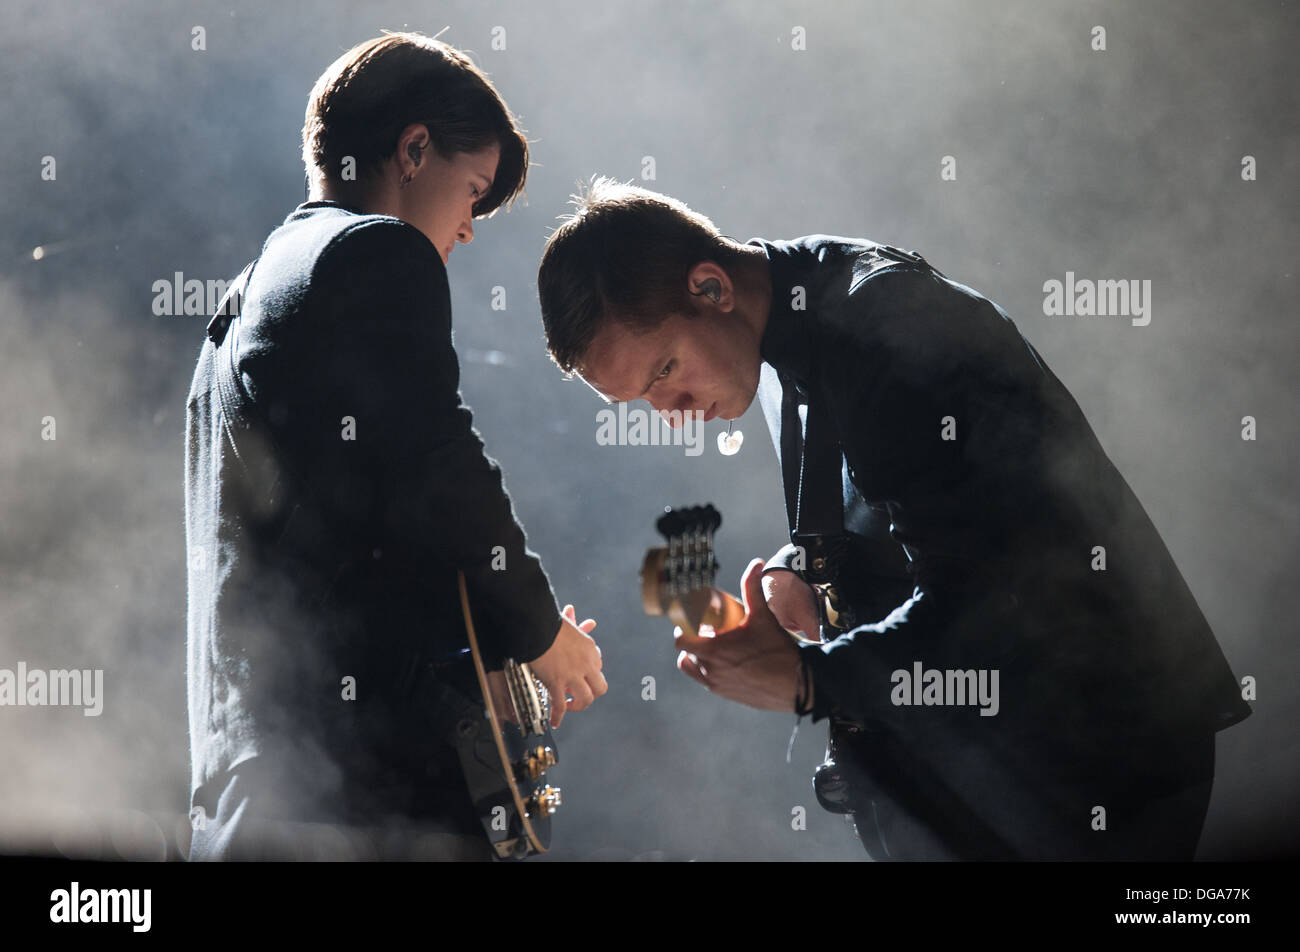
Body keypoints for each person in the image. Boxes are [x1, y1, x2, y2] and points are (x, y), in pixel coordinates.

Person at [536, 177, 1251, 860]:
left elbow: (991, 598)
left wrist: (810, 682)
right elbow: (907, 506)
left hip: (1086, 757)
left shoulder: (881, 323)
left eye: (663, 371)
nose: (670, 412)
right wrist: (806, 575)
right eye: (643, 401)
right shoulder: (784, 322)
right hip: (986, 767)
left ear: (711, 288)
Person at [184, 32, 606, 861]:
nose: (468, 230)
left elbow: (360, 518)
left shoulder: (244, 297)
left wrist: (492, 617)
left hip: (254, 785)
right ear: (414, 150)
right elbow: (435, 462)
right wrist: (537, 632)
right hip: (357, 784)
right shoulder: (374, 249)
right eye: (473, 190)